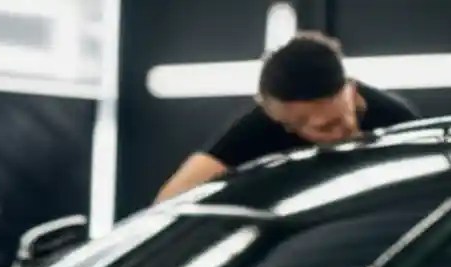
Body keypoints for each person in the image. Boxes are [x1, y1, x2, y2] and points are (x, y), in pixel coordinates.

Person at [154, 32, 420, 203]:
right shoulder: (259, 128)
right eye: (325, 127)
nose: (344, 131)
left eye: (338, 120)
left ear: (350, 90)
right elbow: (168, 202)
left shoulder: (395, 118)